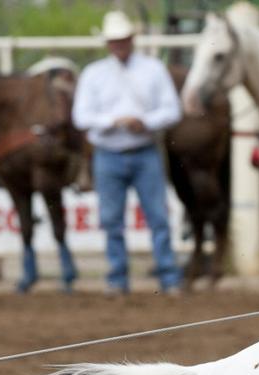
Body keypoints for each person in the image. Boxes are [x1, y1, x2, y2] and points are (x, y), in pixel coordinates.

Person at [72, 10, 182, 295]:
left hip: (144, 150)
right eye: (114, 40)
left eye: (122, 39)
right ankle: (118, 278)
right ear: (108, 43)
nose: (118, 45)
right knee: (111, 220)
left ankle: (168, 276)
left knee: (157, 216)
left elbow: (172, 110)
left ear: (131, 39)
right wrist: (112, 122)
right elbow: (81, 116)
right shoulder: (94, 74)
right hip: (108, 152)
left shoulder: (153, 69)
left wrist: (145, 122)